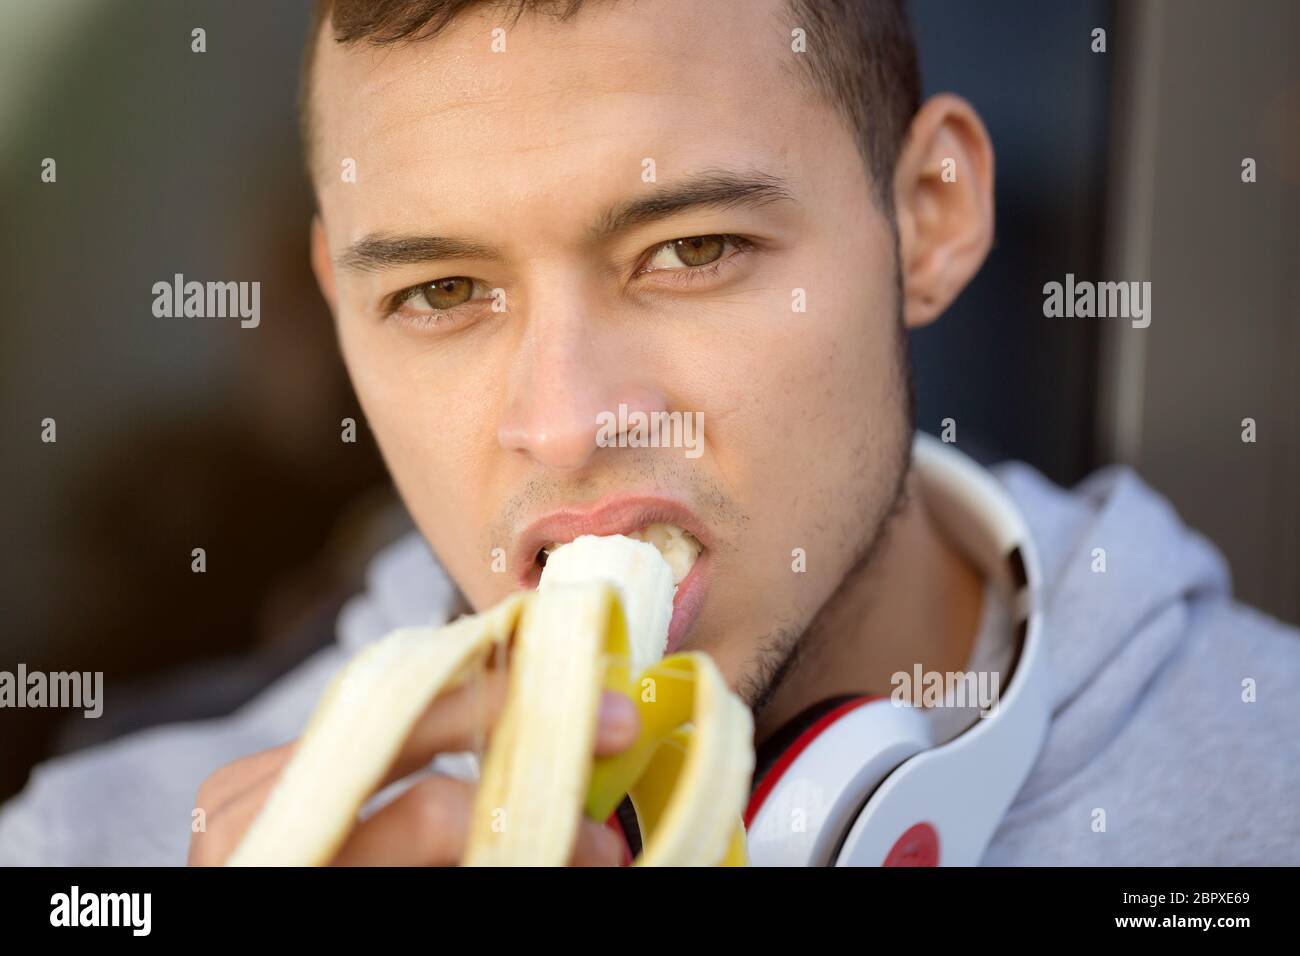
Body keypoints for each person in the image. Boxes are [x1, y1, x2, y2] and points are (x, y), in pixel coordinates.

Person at [2, 0, 1296, 866]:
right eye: (442, 293)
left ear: (932, 215)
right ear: (342, 312)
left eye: (690, 249)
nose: (564, 426)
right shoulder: (86, 847)